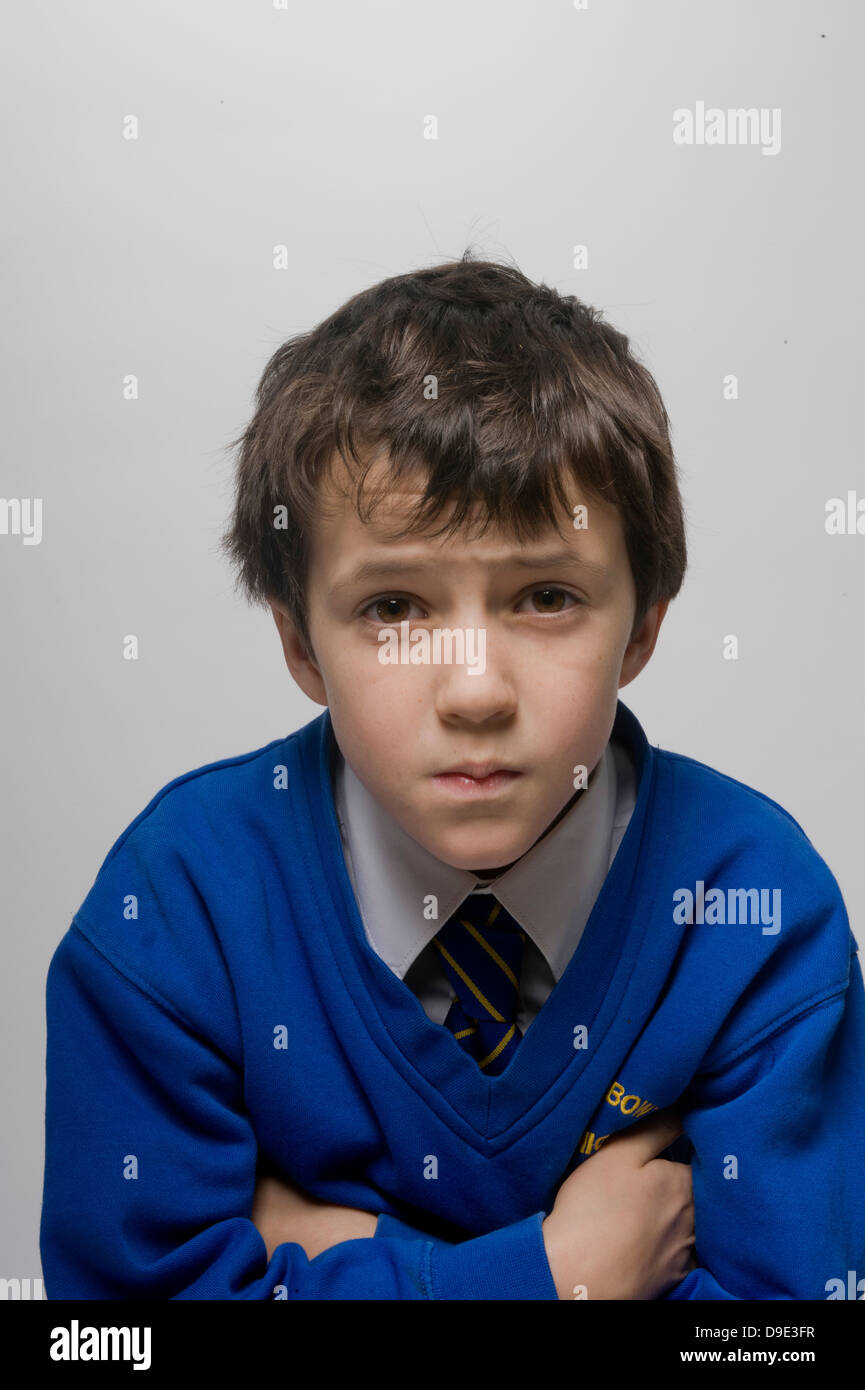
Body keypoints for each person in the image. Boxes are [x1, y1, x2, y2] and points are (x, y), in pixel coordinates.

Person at [39, 254, 865, 1299]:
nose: (473, 690)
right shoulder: (176, 905)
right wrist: (557, 1276)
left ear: (643, 630)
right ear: (300, 644)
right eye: (393, 609)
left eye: (546, 596)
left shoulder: (753, 911)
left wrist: (340, 1260)